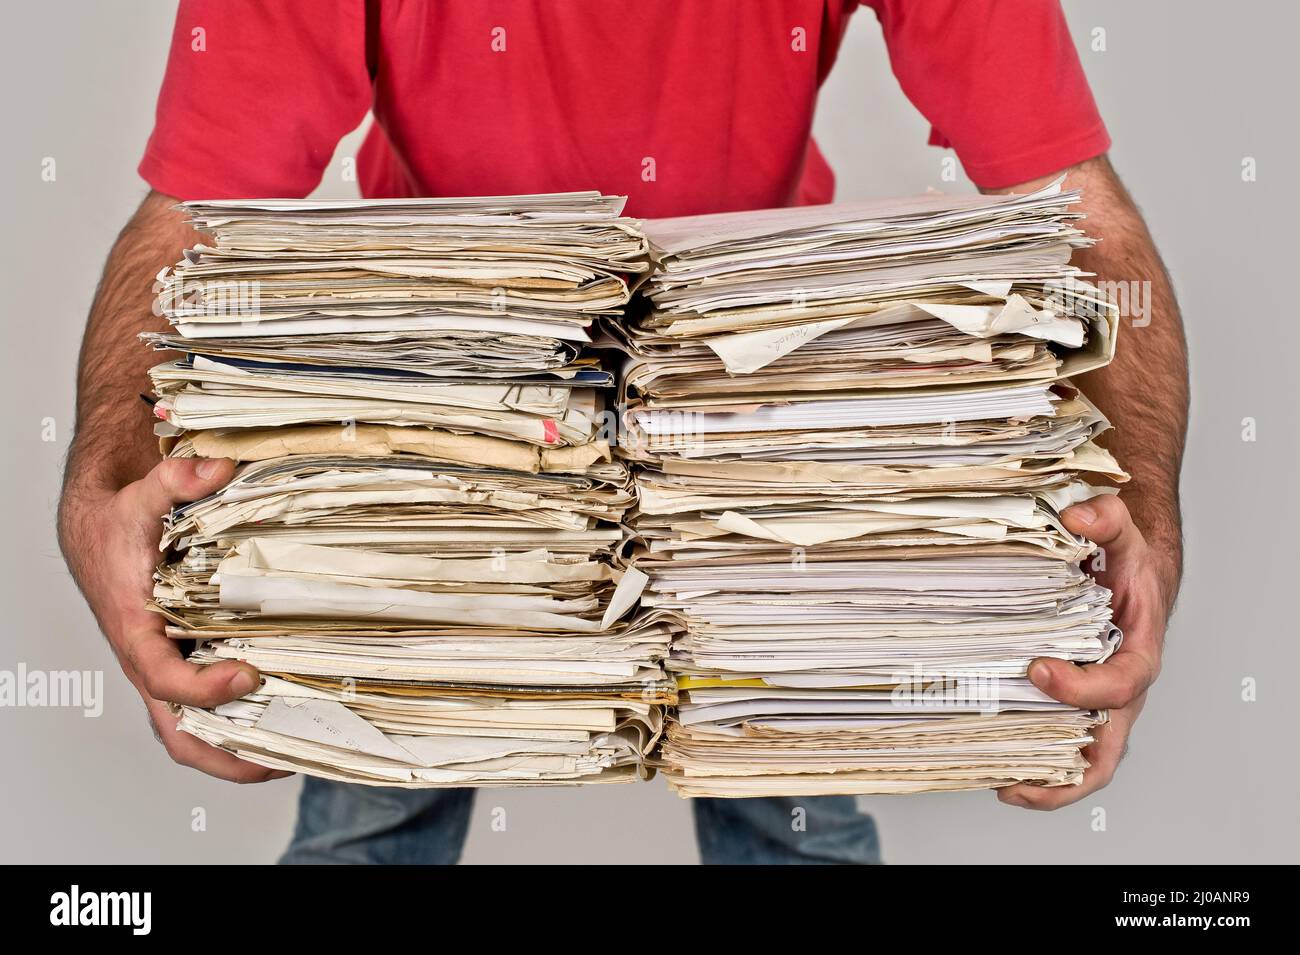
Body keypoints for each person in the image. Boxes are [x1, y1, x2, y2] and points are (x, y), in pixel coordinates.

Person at [58, 0, 1188, 865]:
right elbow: (195, 219)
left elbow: (1082, 216)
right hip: (446, 400)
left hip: (757, 387)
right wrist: (100, 491)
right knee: (380, 753)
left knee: (787, 756)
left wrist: (1144, 525)